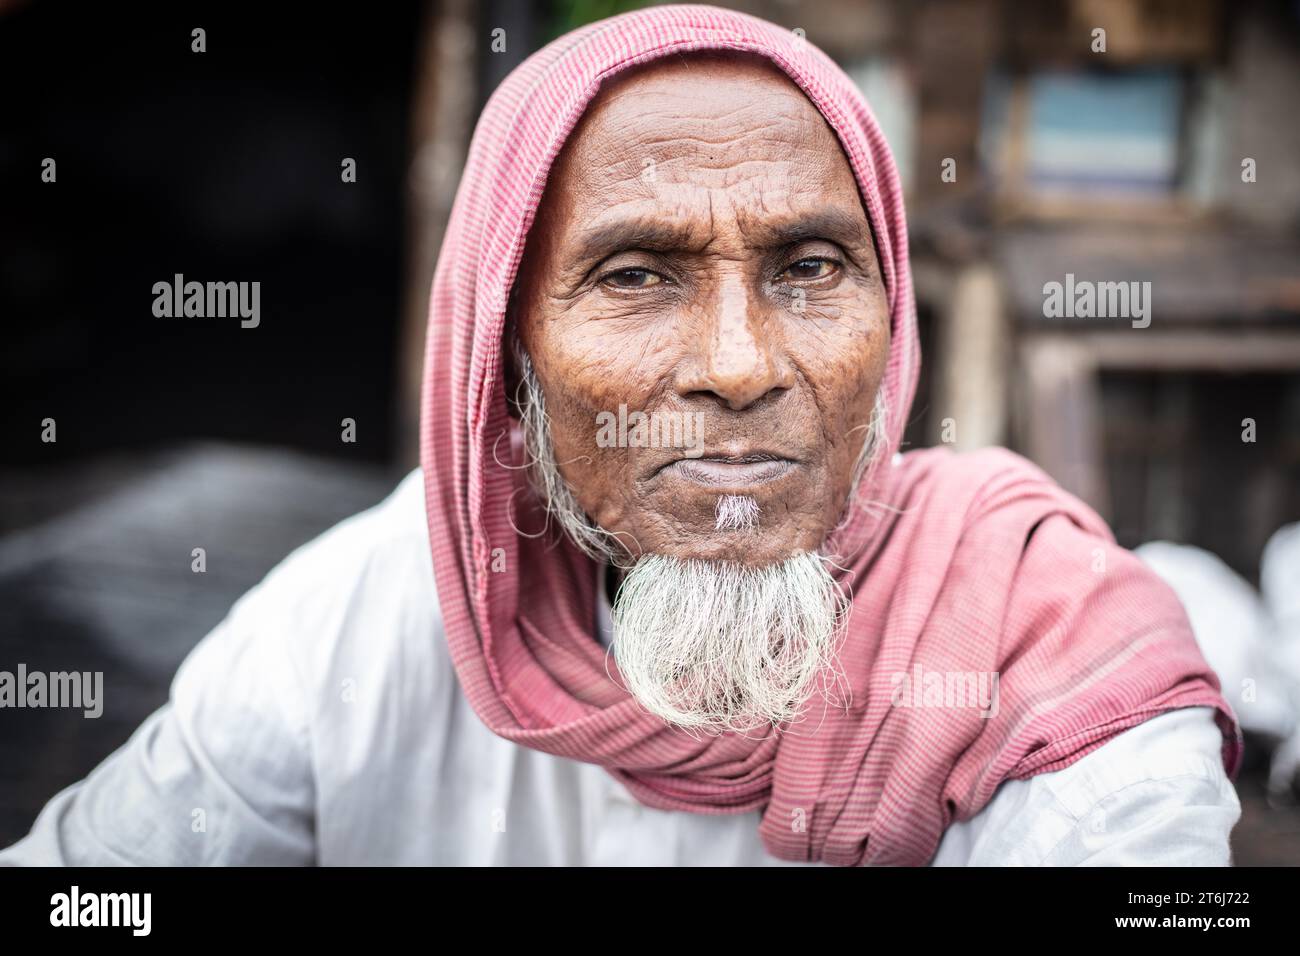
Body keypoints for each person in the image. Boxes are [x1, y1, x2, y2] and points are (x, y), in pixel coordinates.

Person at [0, 4, 1242, 867]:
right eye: (637, 274)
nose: (742, 366)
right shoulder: (375, 613)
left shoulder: (1053, 653)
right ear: (506, 349)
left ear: (892, 319)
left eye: (811, 265)